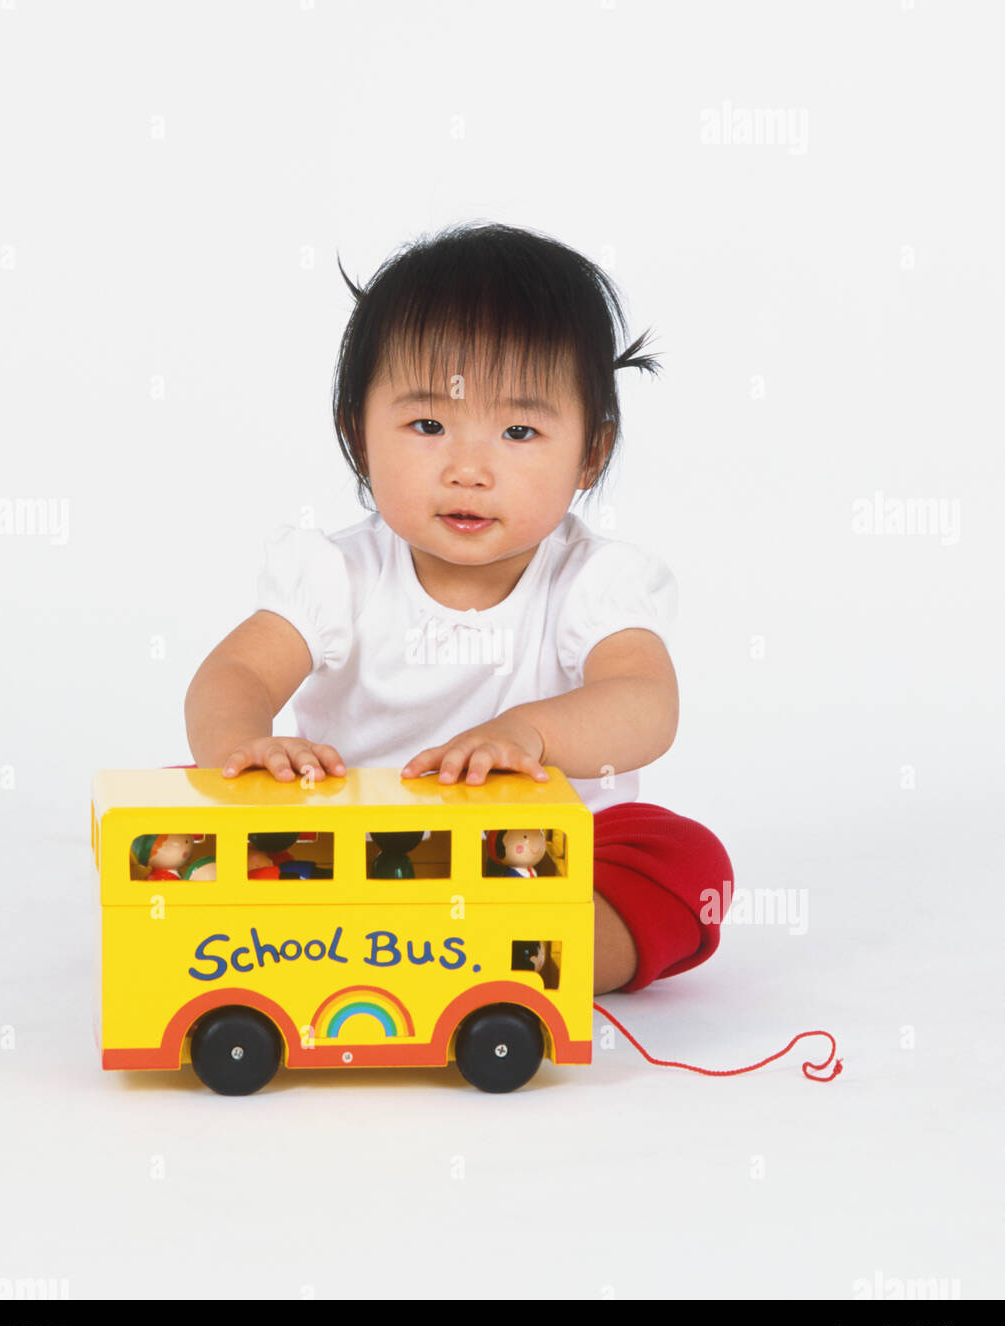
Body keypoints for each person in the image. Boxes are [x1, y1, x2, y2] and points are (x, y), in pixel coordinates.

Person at [184, 222, 733, 995]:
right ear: (357, 435)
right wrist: (244, 747)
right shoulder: (336, 574)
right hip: (355, 848)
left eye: (518, 431)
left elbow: (645, 704)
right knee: (195, 824)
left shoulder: (592, 581)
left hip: (537, 853)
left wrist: (530, 734)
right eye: (427, 426)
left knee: (681, 857)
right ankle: (399, 944)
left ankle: (529, 957)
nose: (468, 470)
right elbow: (235, 671)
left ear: (590, 453)